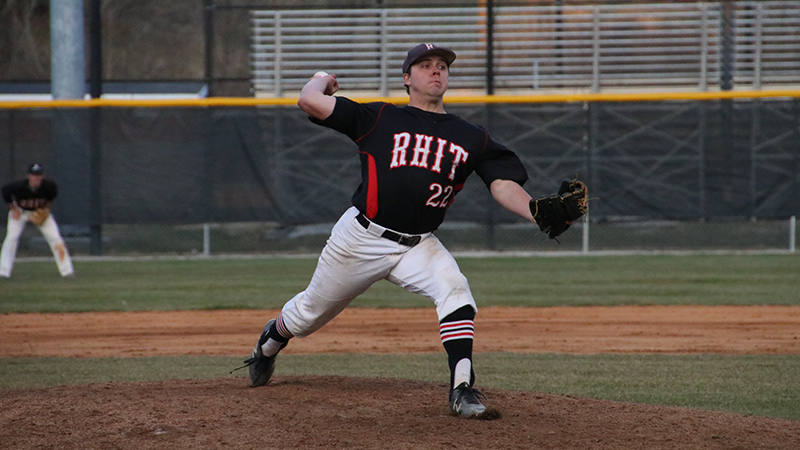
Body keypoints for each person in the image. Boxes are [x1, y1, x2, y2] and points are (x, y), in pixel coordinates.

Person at [243, 43, 538, 418]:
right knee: (307, 316)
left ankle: (462, 390)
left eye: (442, 66)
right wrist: (321, 79)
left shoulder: (470, 137)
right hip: (361, 239)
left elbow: (502, 183)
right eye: (426, 65)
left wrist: (535, 211)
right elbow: (309, 101)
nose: (436, 71)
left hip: (418, 245)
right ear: (406, 78)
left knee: (455, 289)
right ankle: (270, 343)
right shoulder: (380, 118)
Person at [1, 163, 74, 278]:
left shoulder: (49, 186)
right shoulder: (18, 186)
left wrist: (46, 210)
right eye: (34, 175)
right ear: (28, 176)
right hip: (21, 212)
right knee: (11, 238)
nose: (37, 177)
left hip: (39, 211)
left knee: (56, 239)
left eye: (39, 175)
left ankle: (67, 271)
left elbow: (50, 198)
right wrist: (14, 209)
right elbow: (5, 192)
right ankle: (3, 272)